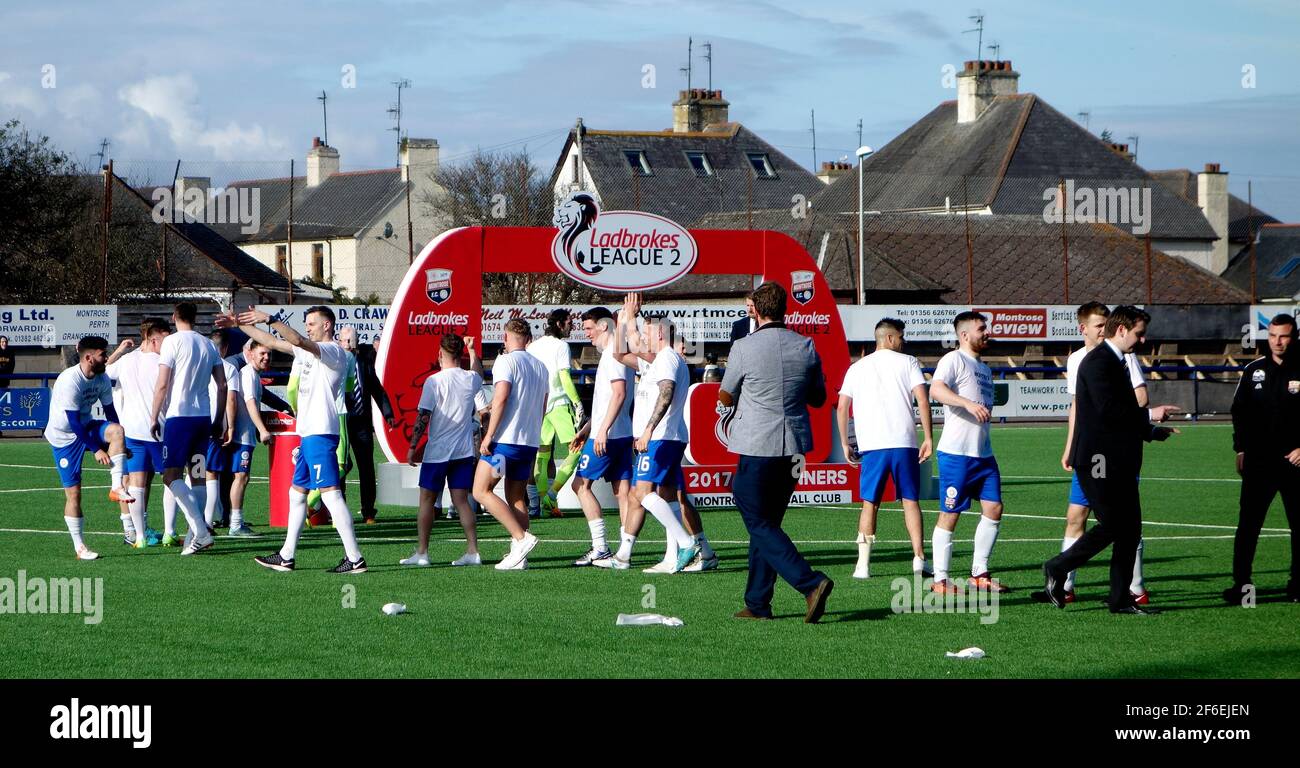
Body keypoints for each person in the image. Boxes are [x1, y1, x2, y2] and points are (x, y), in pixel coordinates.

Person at [1035, 306, 1179, 615]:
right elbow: (1108, 411)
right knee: (1115, 525)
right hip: (1099, 459)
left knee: (1130, 530)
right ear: (1123, 330)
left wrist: (1151, 430)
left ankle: (1120, 599)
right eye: (1139, 333)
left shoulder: (1116, 360)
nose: (1142, 340)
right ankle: (1057, 567)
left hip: (1119, 460)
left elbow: (1121, 412)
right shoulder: (1099, 362)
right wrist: (1149, 415)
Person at [717, 281, 834, 622]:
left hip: (757, 444)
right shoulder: (807, 345)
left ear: (755, 308)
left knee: (757, 519)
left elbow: (725, 395)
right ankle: (757, 602)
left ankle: (811, 583)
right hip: (795, 448)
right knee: (767, 524)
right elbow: (817, 398)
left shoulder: (744, 347)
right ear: (786, 308)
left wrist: (735, 400)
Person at [223, 306, 368, 574]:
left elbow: (298, 340)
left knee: (331, 495)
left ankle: (355, 558)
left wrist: (271, 319)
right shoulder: (309, 350)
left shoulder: (335, 352)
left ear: (327, 326)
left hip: (321, 432)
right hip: (309, 433)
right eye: (307, 323)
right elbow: (272, 342)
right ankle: (287, 556)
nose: (308, 327)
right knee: (296, 493)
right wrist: (238, 324)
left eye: (312, 323)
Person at [593, 295, 699, 573]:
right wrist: (625, 321)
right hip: (665, 437)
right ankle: (675, 555)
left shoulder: (665, 358)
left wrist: (649, 430)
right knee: (666, 496)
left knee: (641, 493)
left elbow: (666, 393)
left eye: (646, 331)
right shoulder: (653, 362)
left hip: (660, 436)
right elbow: (619, 353)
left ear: (660, 333)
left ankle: (687, 544)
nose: (639, 336)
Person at [1059, 302, 1151, 603]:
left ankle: (1131, 590)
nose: (1102, 330)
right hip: (1097, 455)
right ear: (1083, 328)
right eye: (1098, 325)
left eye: (1105, 324)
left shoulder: (1124, 357)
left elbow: (1138, 396)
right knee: (1092, 517)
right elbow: (1087, 408)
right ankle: (1062, 577)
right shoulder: (1085, 361)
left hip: (1116, 453)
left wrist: (1147, 428)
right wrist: (1071, 447)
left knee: (1125, 523)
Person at [836, 318, 934, 579]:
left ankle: (863, 565)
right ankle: (919, 559)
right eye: (900, 337)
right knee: (910, 501)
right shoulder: (909, 362)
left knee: (870, 503)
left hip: (873, 444)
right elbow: (922, 400)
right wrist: (928, 437)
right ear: (890, 338)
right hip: (903, 441)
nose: (903, 342)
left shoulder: (857, 368)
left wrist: (845, 442)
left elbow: (843, 406)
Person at [927, 311, 1007, 594]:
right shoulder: (953, 359)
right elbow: (936, 389)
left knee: (994, 508)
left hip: (983, 454)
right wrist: (967, 404)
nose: (987, 332)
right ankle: (940, 580)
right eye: (981, 328)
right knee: (951, 513)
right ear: (964, 335)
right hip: (956, 453)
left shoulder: (983, 368)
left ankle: (979, 573)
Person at [1225, 313, 1300, 605]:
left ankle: (1297, 586)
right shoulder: (1254, 370)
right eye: (1272, 336)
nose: (1277, 342)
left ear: (1294, 337)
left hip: (1295, 463)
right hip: (1259, 463)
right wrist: (1241, 449)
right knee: (1248, 525)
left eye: (1283, 336)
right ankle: (1242, 585)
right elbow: (1239, 412)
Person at [44, 336, 133, 560]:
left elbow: (111, 413)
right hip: (64, 437)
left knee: (117, 431)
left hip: (85, 425)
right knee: (74, 494)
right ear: (88, 357)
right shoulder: (69, 380)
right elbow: (73, 423)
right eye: (103, 354)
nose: (106, 358)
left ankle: (116, 488)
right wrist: (97, 449)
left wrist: (120, 441)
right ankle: (80, 547)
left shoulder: (101, 378)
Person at [149, 302, 225, 556]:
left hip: (180, 418)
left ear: (174, 317)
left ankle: (201, 530)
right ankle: (195, 537)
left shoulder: (171, 342)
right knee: (198, 475)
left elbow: (162, 384)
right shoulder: (209, 345)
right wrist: (218, 419)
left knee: (170, 477)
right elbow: (222, 386)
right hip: (203, 418)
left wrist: (153, 416)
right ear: (195, 318)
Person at [473, 318, 547, 570]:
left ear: (506, 338)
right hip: (528, 442)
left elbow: (502, 398)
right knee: (516, 497)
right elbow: (543, 406)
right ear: (527, 339)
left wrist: (489, 435)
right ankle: (519, 556)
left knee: (481, 490)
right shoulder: (540, 367)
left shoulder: (506, 361)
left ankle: (521, 538)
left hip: (505, 442)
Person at [403, 335, 483, 567]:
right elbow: (478, 372)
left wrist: (411, 447)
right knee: (462, 501)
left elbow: (423, 416)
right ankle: (473, 550)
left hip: (438, 452)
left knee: (427, 501)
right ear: (461, 355)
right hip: (463, 451)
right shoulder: (469, 379)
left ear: (440, 354)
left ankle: (422, 552)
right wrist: (473, 351)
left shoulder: (434, 381)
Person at [566, 306, 632, 566]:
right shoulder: (619, 353)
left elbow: (619, 394)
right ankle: (625, 550)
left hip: (609, 435)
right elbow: (610, 400)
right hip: (623, 433)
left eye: (589, 328)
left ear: (604, 326)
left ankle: (601, 547)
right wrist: (587, 429)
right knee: (622, 492)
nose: (587, 334)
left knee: (580, 485)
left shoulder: (613, 356)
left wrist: (601, 430)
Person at [105, 318, 172, 547]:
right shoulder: (161, 361)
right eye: (165, 336)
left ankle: (140, 532)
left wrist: (119, 351)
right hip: (154, 430)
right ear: (153, 337)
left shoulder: (126, 361)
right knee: (168, 479)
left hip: (132, 430)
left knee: (139, 481)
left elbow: (105, 370)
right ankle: (142, 531)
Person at [528, 309, 584, 518]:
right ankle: (551, 496)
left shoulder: (532, 347)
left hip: (540, 406)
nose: (572, 326)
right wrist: (578, 403)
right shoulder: (562, 346)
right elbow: (565, 378)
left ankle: (544, 504)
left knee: (541, 455)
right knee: (577, 448)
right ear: (559, 324)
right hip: (559, 404)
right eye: (570, 322)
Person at [338, 325, 397, 524]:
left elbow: (376, 389)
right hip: (341, 422)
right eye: (345, 340)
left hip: (362, 423)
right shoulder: (335, 361)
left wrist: (388, 413)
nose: (348, 344)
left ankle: (368, 512)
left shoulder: (364, 362)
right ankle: (339, 511)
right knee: (340, 466)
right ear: (339, 341)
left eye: (351, 340)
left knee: (366, 468)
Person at [226, 338, 275, 538]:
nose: (266, 357)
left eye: (269, 354)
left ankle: (235, 521)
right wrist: (262, 429)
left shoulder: (253, 374)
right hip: (242, 435)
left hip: (244, 435)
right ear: (251, 353)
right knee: (241, 477)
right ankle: (235, 524)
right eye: (262, 353)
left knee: (241, 477)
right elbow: (250, 403)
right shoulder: (248, 374)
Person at [201, 328, 241, 529]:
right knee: (211, 473)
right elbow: (231, 399)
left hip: (192, 422)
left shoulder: (198, 365)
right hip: (214, 425)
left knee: (194, 472)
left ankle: (193, 520)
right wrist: (231, 426)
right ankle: (206, 523)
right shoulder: (227, 367)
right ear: (224, 348)